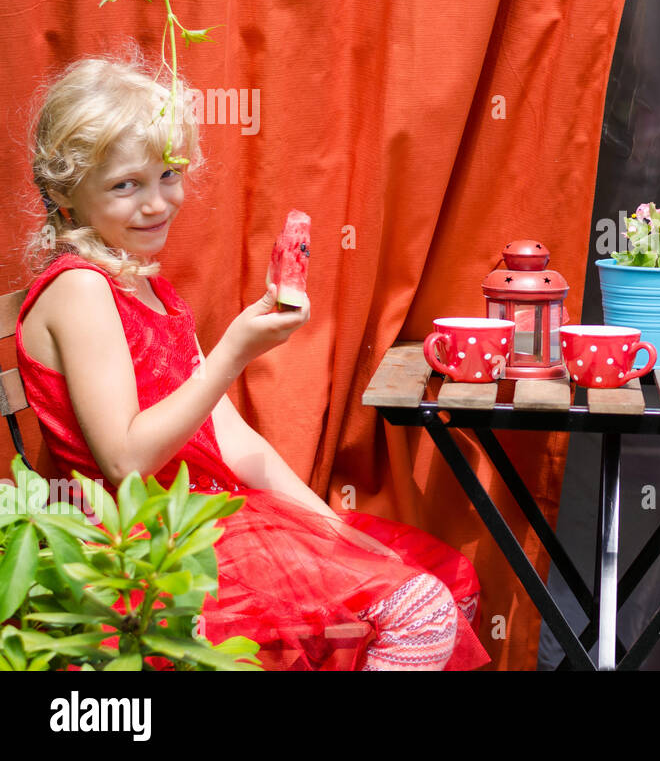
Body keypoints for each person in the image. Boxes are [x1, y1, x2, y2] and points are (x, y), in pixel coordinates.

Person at [14, 49, 490, 671]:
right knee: (419, 611)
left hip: (214, 515)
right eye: (125, 185)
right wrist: (234, 351)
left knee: (447, 581)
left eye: (167, 175)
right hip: (143, 545)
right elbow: (126, 462)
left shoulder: (146, 286)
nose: (157, 203)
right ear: (65, 194)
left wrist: (337, 536)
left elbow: (238, 447)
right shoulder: (80, 289)